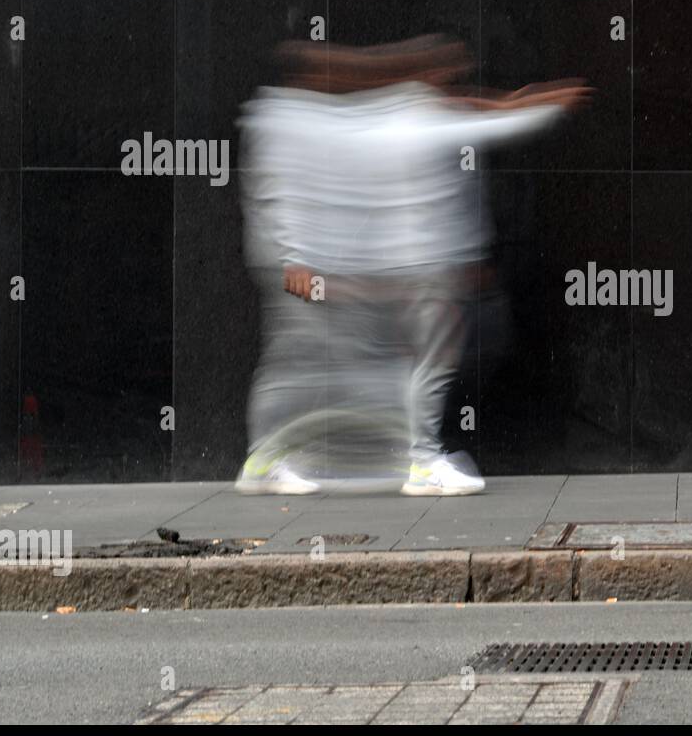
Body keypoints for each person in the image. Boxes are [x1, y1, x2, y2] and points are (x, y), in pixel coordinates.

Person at [236, 37, 591, 495]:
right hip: (393, 265)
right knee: (345, 363)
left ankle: (293, 458)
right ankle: (415, 462)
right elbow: (279, 193)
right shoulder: (308, 119)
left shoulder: (362, 117)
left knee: (320, 363)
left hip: (375, 265)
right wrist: (546, 105)